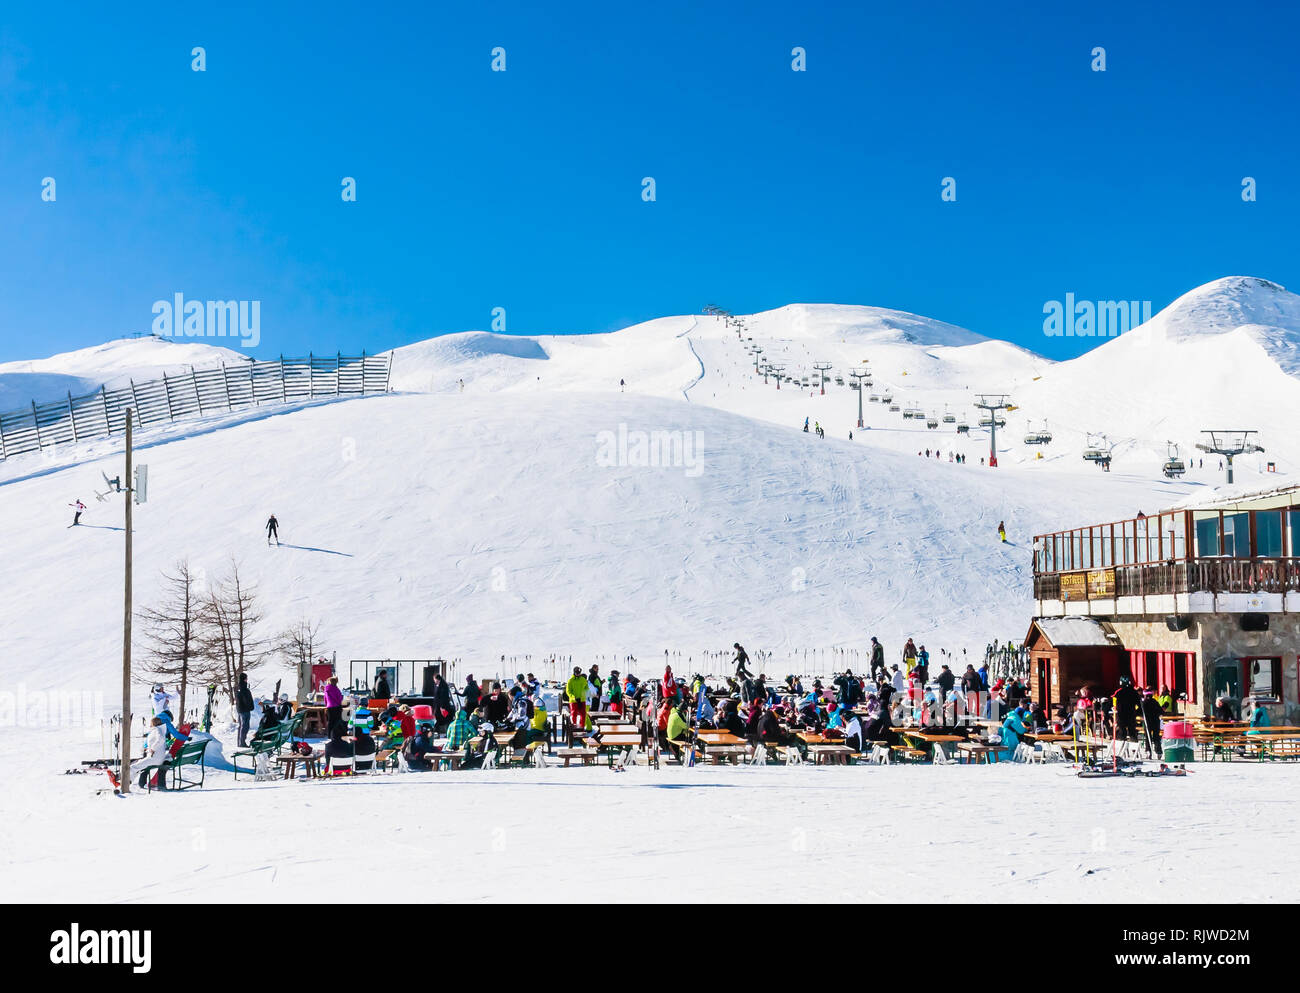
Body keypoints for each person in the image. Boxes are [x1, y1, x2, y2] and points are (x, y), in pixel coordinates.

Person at [130, 716, 174, 788]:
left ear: (153, 723)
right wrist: (148, 749)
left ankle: (123, 781)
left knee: (133, 766)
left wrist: (153, 749)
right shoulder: (158, 730)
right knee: (138, 766)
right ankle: (129, 781)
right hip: (157, 757)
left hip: (154, 758)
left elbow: (161, 739)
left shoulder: (157, 730)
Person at [1113, 677, 1141, 741]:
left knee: (1122, 733)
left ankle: (1124, 746)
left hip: (1121, 716)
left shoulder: (1119, 693)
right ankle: (1134, 747)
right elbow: (1139, 704)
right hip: (1131, 715)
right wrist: (1136, 712)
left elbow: (1114, 704)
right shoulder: (1134, 693)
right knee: (1132, 732)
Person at [1140, 691, 1164, 757]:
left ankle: (1148, 751)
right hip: (1156, 722)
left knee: (1148, 737)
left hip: (1148, 722)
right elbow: (1161, 711)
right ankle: (1158, 751)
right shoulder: (1155, 702)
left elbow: (1140, 711)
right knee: (1156, 737)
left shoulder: (1144, 703)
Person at [565, 666, 589, 730]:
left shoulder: (583, 679)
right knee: (574, 714)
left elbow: (587, 688)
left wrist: (583, 696)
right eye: (577, 673)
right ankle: (574, 728)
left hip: (582, 700)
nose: (578, 674)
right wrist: (573, 697)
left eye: (579, 673)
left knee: (583, 714)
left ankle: (582, 727)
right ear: (574, 672)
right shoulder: (570, 681)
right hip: (574, 701)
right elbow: (568, 691)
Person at [235, 672, 255, 747]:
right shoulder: (244, 689)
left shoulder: (239, 688)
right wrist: (250, 707)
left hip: (241, 710)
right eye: (246, 678)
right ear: (244, 679)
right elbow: (246, 700)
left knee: (241, 726)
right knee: (245, 727)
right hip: (245, 710)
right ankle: (242, 743)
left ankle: (240, 742)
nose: (247, 680)